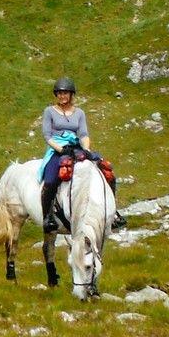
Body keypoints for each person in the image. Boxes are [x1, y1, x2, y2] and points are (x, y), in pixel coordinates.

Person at [38, 78, 125, 232]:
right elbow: (47, 136)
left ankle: (112, 212)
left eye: (65, 93)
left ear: (71, 95)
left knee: (106, 171)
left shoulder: (79, 113)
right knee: (50, 180)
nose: (62, 96)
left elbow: (83, 134)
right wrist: (61, 150)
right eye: (59, 93)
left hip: (76, 147)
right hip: (57, 148)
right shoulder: (49, 111)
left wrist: (86, 149)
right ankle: (48, 217)